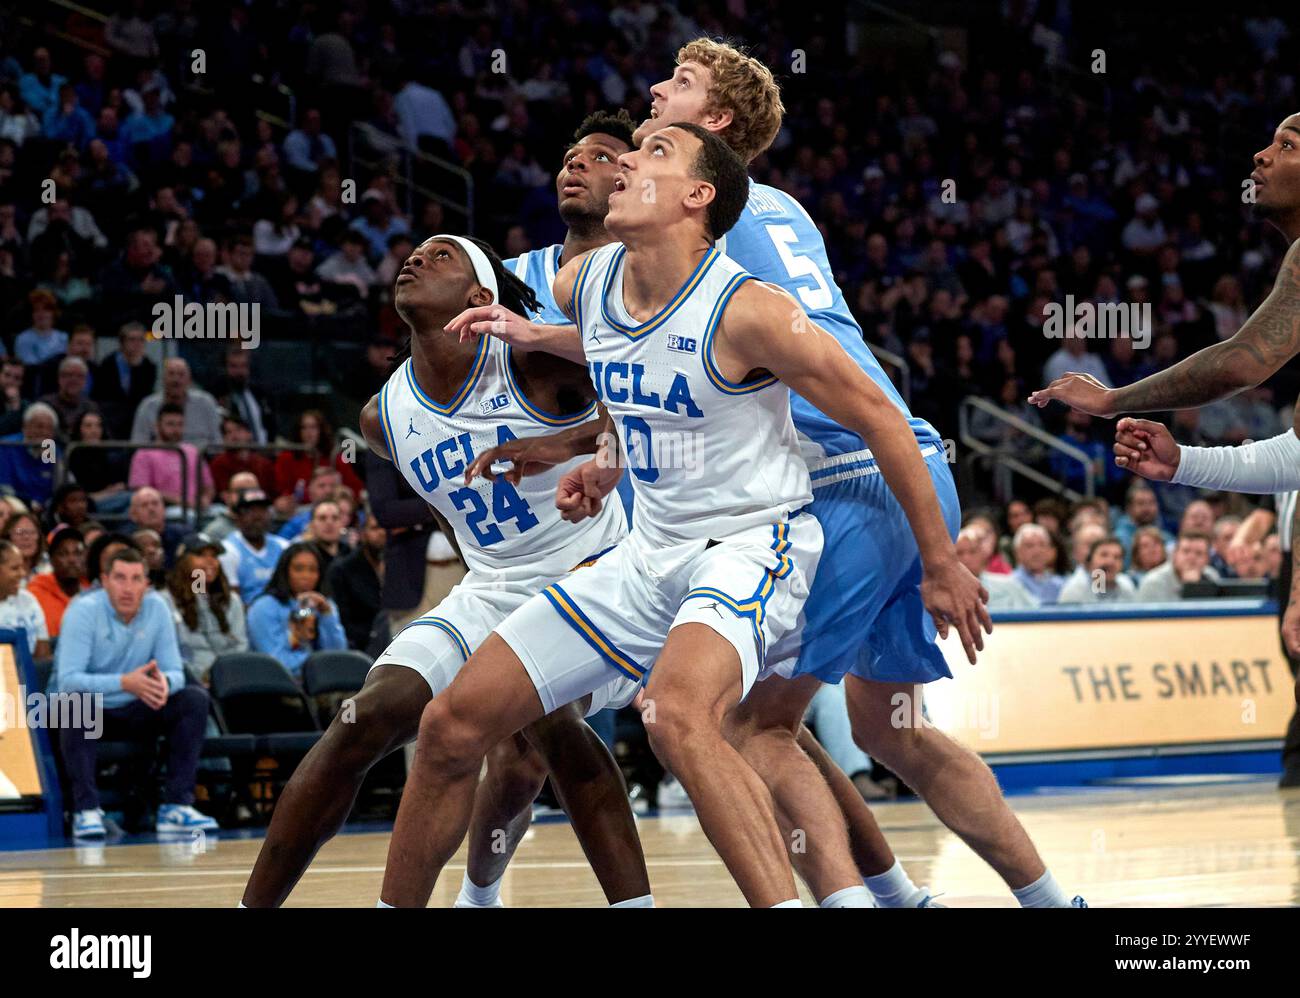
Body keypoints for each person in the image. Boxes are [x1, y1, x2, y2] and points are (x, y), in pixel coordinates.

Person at [454, 42, 1073, 908]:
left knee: (748, 723)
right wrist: (600, 445)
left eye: (678, 87)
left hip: (852, 473)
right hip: (906, 467)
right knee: (892, 732)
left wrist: (942, 561)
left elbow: (701, 352)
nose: (654, 94)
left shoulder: (693, 220)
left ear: (715, 133)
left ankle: (858, 903)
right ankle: (1034, 902)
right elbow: (684, 366)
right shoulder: (780, 211)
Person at [378, 122, 984, 910]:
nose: (626, 159)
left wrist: (939, 560)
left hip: (748, 544)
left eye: (652, 152)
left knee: (678, 715)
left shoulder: (753, 312)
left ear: (699, 197)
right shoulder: (584, 284)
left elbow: (882, 417)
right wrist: (579, 434)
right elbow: (626, 357)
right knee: (452, 724)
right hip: (644, 554)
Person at [241, 234, 650, 911]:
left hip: (592, 573)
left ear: (479, 298)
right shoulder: (382, 420)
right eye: (413, 254)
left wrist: (566, 444)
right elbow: (447, 513)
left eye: (441, 256)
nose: (414, 259)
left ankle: (601, 903)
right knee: (360, 722)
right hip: (490, 585)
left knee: (544, 728)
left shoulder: (534, 365)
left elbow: (636, 387)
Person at [54, 547, 218, 838]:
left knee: (193, 699)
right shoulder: (82, 611)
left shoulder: (157, 608)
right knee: (73, 705)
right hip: (93, 710)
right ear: (104, 580)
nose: (127, 588)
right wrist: (123, 683)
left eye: (135, 579)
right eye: (119, 578)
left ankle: (175, 806)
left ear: (147, 583)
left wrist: (163, 683)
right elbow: (67, 682)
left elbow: (175, 671)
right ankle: (86, 810)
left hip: (138, 704)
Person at [245, 542, 347, 676]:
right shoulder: (263, 607)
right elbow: (276, 661)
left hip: (321, 681)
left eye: (313, 570)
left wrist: (327, 615)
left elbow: (338, 656)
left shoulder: (323, 604)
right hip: (275, 685)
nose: (306, 576)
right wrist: (319, 665)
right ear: (284, 571)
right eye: (298, 569)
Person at [162, 533, 247, 681]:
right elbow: (168, 652)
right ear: (183, 560)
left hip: (230, 680)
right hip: (188, 680)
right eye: (201, 555)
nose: (210, 561)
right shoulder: (165, 600)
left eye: (214, 556)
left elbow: (240, 645)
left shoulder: (231, 600)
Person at [127, 403, 214, 509]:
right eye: (170, 424)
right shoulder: (144, 454)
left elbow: (208, 486)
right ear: (157, 426)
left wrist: (205, 500)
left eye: (180, 424)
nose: (175, 429)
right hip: (164, 509)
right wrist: (180, 502)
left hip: (198, 509)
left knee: (221, 512)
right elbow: (141, 491)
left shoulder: (192, 451)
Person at [130, 357, 222, 447]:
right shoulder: (148, 406)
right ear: (163, 379)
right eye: (171, 374)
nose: (176, 380)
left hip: (200, 459)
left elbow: (218, 443)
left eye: (181, 374)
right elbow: (138, 445)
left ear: (189, 380)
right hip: (159, 460)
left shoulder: (206, 403)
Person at [218, 488, 289, 601]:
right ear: (237, 517)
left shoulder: (283, 546)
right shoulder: (228, 550)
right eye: (249, 511)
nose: (257, 516)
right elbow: (233, 602)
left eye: (262, 510)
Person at [326, 511, 383, 649]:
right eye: (375, 528)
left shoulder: (401, 564)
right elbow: (343, 620)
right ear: (362, 534)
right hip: (361, 644)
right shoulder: (343, 569)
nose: (382, 532)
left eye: (385, 527)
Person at [92, 321, 156, 439]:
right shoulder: (107, 364)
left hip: (137, 418)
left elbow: (142, 397)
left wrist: (136, 368)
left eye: (141, 340)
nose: (137, 344)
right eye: (132, 340)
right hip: (111, 418)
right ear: (122, 343)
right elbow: (102, 395)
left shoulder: (149, 366)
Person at [955, 525, 1038, 609]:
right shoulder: (943, 592)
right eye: (959, 553)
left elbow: (1036, 611)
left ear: (982, 554)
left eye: (972, 551)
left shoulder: (1009, 585)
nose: (966, 558)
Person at [27, 525, 88, 639]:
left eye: (77, 553)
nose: (72, 560)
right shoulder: (35, 594)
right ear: (51, 559)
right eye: (63, 554)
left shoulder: (95, 592)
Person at [0, 402, 59, 507]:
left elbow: (57, 487)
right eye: (39, 426)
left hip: (43, 511)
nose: (44, 432)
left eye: (49, 428)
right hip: (12, 506)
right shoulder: (6, 446)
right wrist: (29, 504)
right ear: (25, 427)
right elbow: (4, 487)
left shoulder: (51, 451)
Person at [0, 539, 51, 657]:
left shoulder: (28, 600)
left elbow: (43, 655)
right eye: (15, 568)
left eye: (22, 567)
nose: (22, 574)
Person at [1136, 530, 1218, 601]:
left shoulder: (1212, 577)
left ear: (1207, 559)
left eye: (1199, 553)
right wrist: (1190, 588)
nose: (1191, 558)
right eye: (1186, 551)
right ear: (1174, 555)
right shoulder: (1153, 583)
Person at [1058, 536, 1137, 604]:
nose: (1110, 562)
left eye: (1117, 557)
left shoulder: (1127, 586)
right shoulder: (1074, 590)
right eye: (1104, 555)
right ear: (1090, 560)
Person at [1010, 522, 1065, 604]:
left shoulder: (1061, 585)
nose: (1037, 551)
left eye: (1042, 545)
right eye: (1029, 546)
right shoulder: (1010, 584)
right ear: (1018, 552)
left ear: (1049, 551)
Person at [0, 510, 47, 581]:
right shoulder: (2, 573)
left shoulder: (51, 565)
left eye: (32, 532)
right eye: (19, 532)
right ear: (8, 538)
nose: (26, 537)